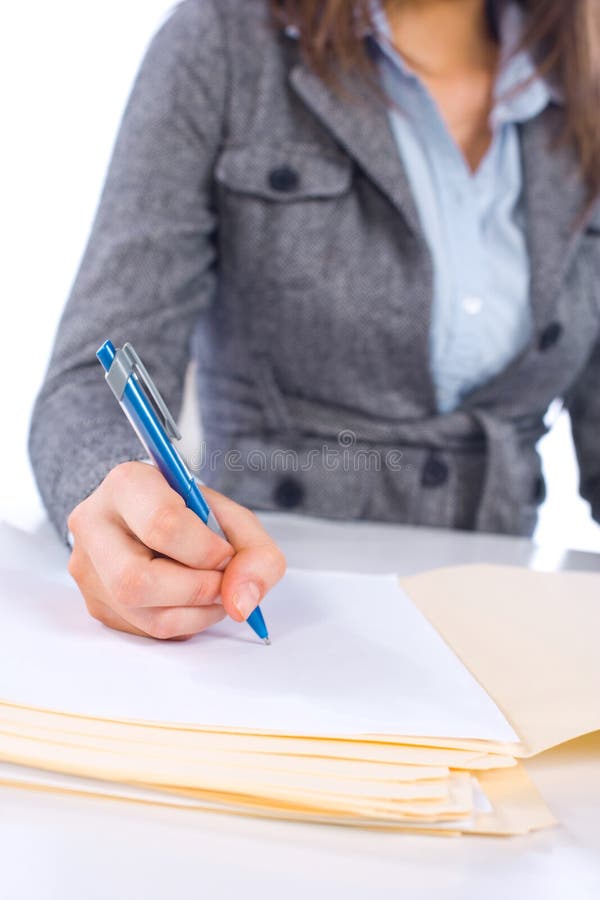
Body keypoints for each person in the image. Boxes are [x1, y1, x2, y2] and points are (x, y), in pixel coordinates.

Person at [30, 0, 600, 640]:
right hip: (263, 614)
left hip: (500, 629)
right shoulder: (225, 44)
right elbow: (88, 385)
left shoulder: (584, 79)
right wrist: (111, 498)